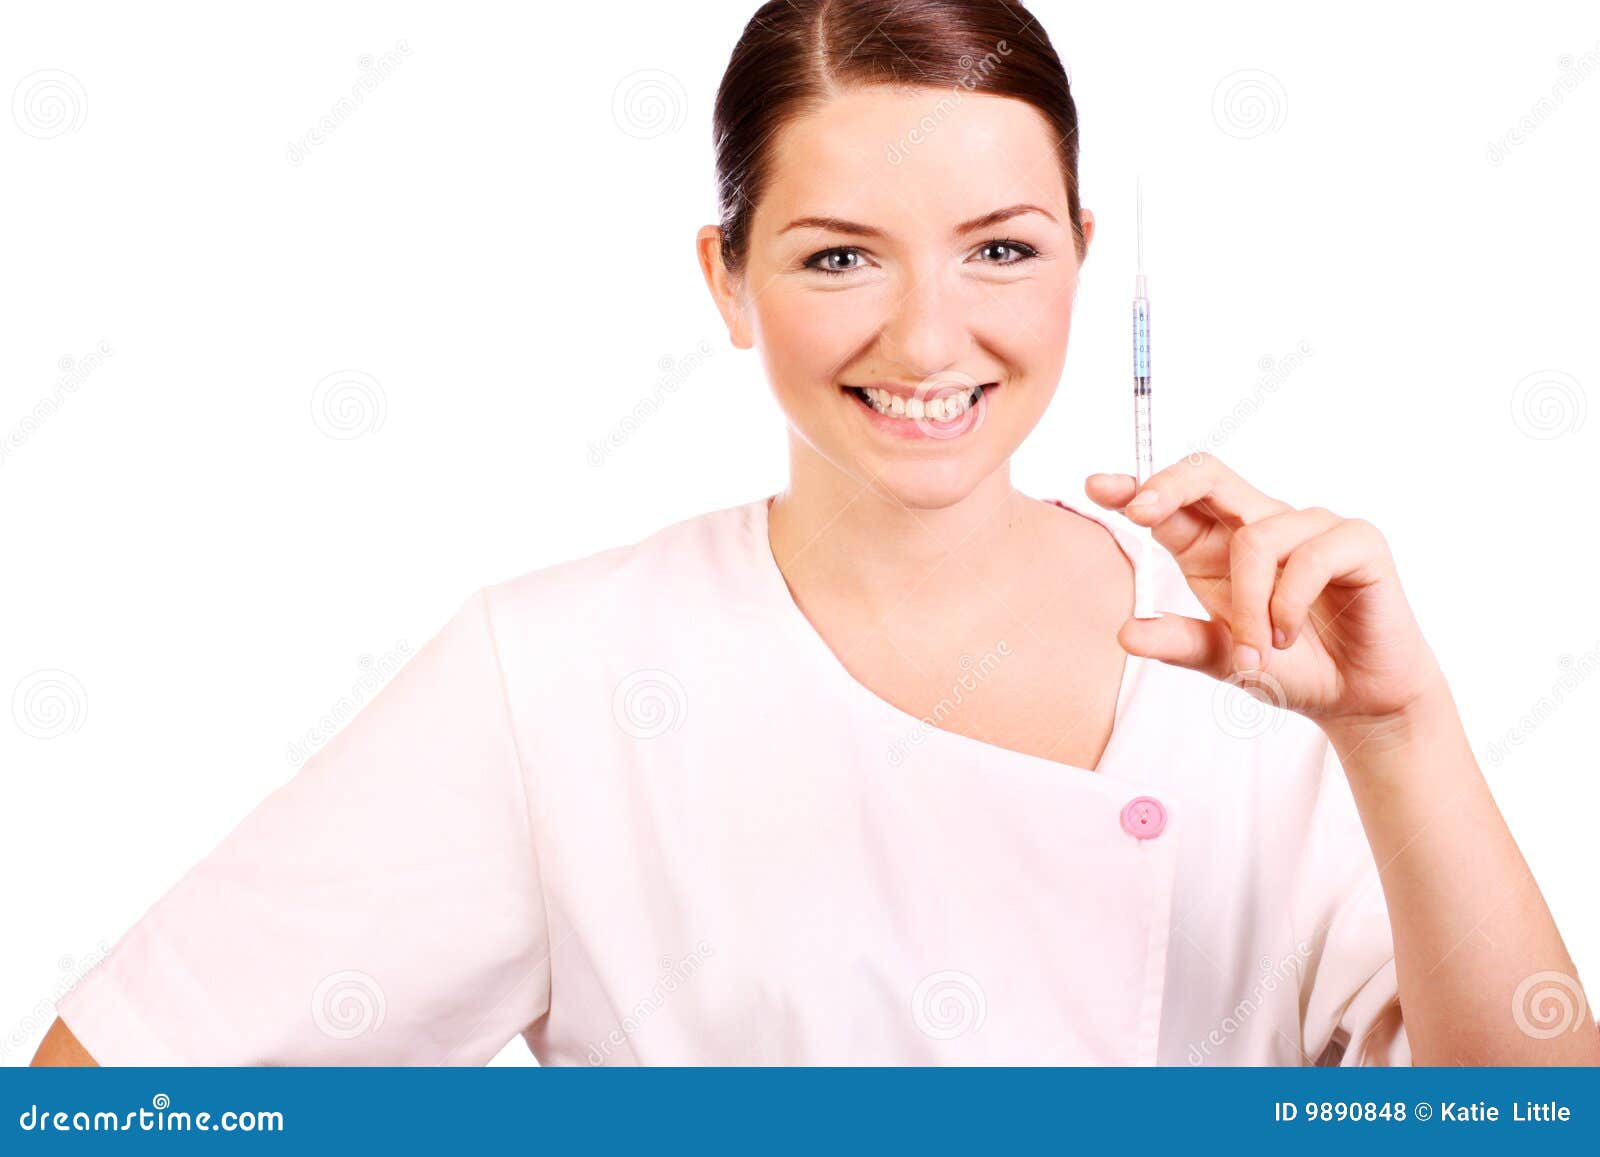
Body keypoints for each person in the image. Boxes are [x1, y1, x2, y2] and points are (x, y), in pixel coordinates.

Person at [35, 0, 1598, 1066]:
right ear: (725, 279)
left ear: (1083, 260)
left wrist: (1401, 733)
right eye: (840, 254)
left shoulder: (1266, 649)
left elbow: (1532, 1125)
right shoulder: (561, 675)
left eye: (1000, 246)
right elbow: (112, 1088)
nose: (930, 337)